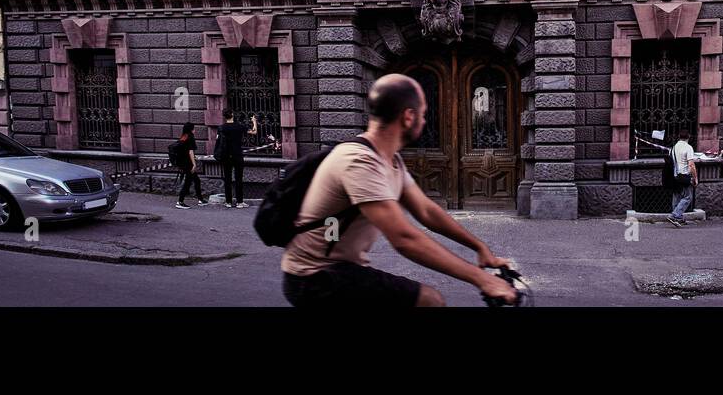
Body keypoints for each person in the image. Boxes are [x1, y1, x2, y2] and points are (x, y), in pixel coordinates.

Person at [281, 73, 518, 307]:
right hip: (313, 276)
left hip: (341, 269)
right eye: (423, 115)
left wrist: (479, 248)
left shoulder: (390, 160)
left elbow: (426, 211)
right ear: (408, 116)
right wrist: (482, 279)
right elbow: (404, 239)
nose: (425, 122)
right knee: (429, 300)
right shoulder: (358, 161)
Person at [216, 109, 258, 208]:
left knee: (227, 179)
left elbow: (218, 141)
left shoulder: (221, 128)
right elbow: (254, 132)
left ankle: (228, 202)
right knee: (239, 178)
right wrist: (254, 122)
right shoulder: (239, 126)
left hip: (226, 156)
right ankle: (239, 202)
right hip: (237, 155)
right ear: (232, 114)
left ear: (224, 116)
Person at [174, 122, 207, 209]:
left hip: (183, 163)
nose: (195, 130)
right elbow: (190, 151)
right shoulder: (190, 137)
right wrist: (194, 164)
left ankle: (200, 200)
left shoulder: (183, 136)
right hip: (188, 164)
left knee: (196, 180)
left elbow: (184, 151)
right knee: (188, 182)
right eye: (194, 128)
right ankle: (180, 202)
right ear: (191, 129)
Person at [668, 128, 698, 227]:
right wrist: (695, 178)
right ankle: (675, 215)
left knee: (676, 196)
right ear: (688, 137)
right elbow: (691, 165)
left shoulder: (673, 148)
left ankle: (678, 218)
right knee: (687, 197)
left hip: (675, 175)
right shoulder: (688, 147)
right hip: (684, 176)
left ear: (679, 137)